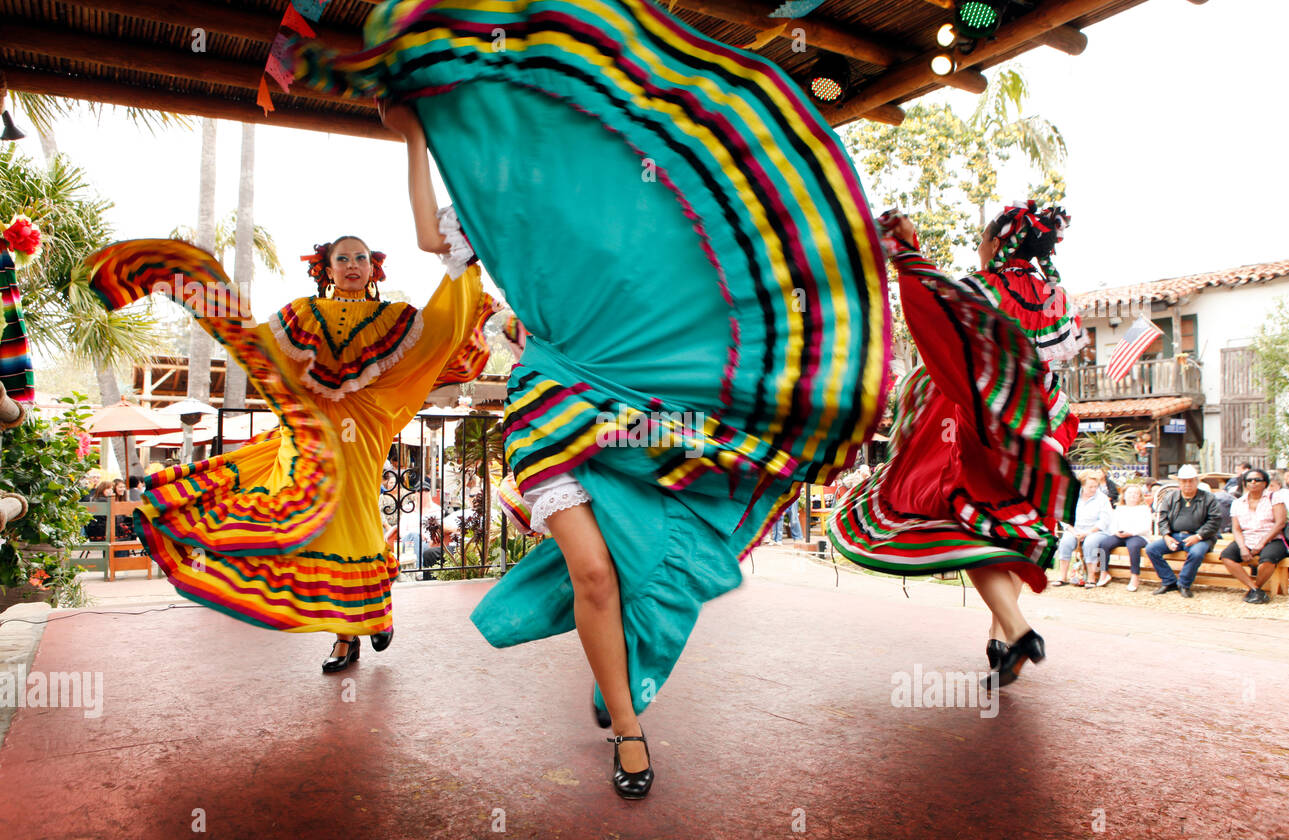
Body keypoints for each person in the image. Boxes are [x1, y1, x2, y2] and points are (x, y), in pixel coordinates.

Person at [301, 3, 892, 799]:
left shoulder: (603, 196)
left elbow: (661, 269)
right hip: (548, 403)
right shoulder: (493, 207)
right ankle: (629, 728)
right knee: (593, 574)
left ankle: (620, 676)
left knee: (642, 558)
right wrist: (414, 133)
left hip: (626, 401)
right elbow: (432, 240)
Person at [84, 143, 492, 673]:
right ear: (326, 268)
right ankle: (351, 628)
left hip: (365, 422)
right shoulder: (299, 311)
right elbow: (265, 353)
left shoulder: (397, 317)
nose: (352, 265)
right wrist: (209, 301)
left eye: (361, 258)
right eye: (342, 258)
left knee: (356, 509)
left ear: (373, 268)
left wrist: (461, 267)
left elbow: (439, 333)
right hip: (310, 428)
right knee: (319, 518)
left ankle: (370, 608)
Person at [830, 202, 1084, 689]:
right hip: (1046, 426)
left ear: (997, 243)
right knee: (1014, 531)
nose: (980, 247)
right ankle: (1001, 637)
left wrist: (907, 253)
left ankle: (1019, 632)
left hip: (992, 427)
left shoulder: (983, 288)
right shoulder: (1057, 298)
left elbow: (938, 319)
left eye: (982, 240)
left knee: (965, 525)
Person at [1145, 464, 1223, 598]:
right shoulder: (1171, 497)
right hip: (1175, 535)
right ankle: (1169, 581)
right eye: (1184, 481)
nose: (1188, 484)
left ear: (1197, 481)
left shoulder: (1208, 498)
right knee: (1151, 549)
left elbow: (1214, 520)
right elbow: (1162, 518)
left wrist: (1198, 536)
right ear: (1179, 482)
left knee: (1197, 553)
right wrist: (1166, 536)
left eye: (1191, 480)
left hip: (1201, 537)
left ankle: (1184, 584)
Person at [1219, 468, 1289, 604]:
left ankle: (1256, 589)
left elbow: (1280, 523)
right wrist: (1242, 547)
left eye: (1257, 480)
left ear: (1265, 483)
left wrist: (1262, 542)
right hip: (1247, 538)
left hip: (1272, 538)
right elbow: (1236, 529)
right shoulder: (1238, 503)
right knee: (1227, 556)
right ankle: (1254, 589)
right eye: (1249, 480)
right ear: (1244, 483)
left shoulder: (1274, 498)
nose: (1253, 482)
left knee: (1268, 559)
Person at [1053, 471, 1112, 587]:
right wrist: (1073, 531)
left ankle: (1091, 578)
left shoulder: (1102, 499)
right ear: (1082, 485)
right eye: (1090, 487)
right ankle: (1062, 577)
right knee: (1065, 542)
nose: (1093, 489)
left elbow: (1104, 521)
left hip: (1096, 531)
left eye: (1096, 486)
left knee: (1090, 543)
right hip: (1075, 529)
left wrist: (1087, 533)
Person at [1095, 484, 1153, 591]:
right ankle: (1104, 572)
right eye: (1129, 493)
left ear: (1140, 496)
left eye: (1136, 493)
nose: (1132, 495)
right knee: (1104, 544)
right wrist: (1116, 532)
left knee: (1133, 546)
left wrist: (1130, 532)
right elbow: (1112, 525)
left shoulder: (1144, 509)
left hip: (1138, 536)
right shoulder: (1119, 509)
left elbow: (1145, 527)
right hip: (1120, 535)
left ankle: (1135, 576)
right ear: (1124, 496)